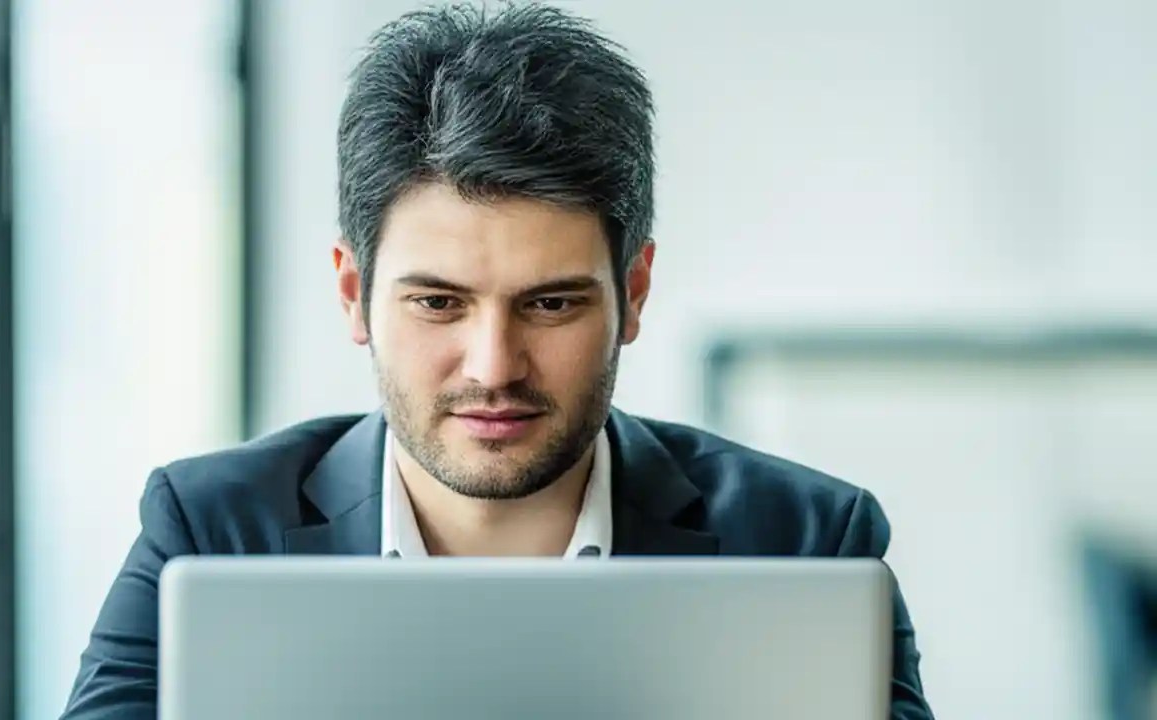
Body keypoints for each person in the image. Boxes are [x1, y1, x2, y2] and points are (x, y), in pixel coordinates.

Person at [62, 3, 933, 718]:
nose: (494, 366)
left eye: (550, 303)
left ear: (634, 290)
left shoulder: (806, 546)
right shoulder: (212, 534)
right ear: (352, 292)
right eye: (438, 302)